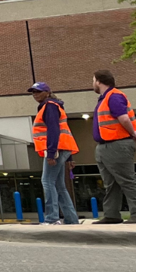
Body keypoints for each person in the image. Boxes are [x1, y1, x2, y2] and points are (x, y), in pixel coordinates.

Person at [29, 81, 81, 226]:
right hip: (63, 148)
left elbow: (53, 130)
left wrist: (51, 153)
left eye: (38, 91)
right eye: (33, 92)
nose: (35, 95)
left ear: (47, 92)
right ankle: (71, 219)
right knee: (59, 185)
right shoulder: (54, 105)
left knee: (47, 181)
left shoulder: (50, 106)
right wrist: (69, 156)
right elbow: (64, 131)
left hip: (55, 149)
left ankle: (52, 218)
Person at [91, 69, 137, 224]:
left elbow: (123, 118)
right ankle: (112, 215)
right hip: (105, 145)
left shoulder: (114, 96)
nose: (93, 84)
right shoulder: (104, 98)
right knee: (111, 183)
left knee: (127, 181)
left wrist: (134, 134)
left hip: (117, 144)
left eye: (93, 80)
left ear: (98, 81)